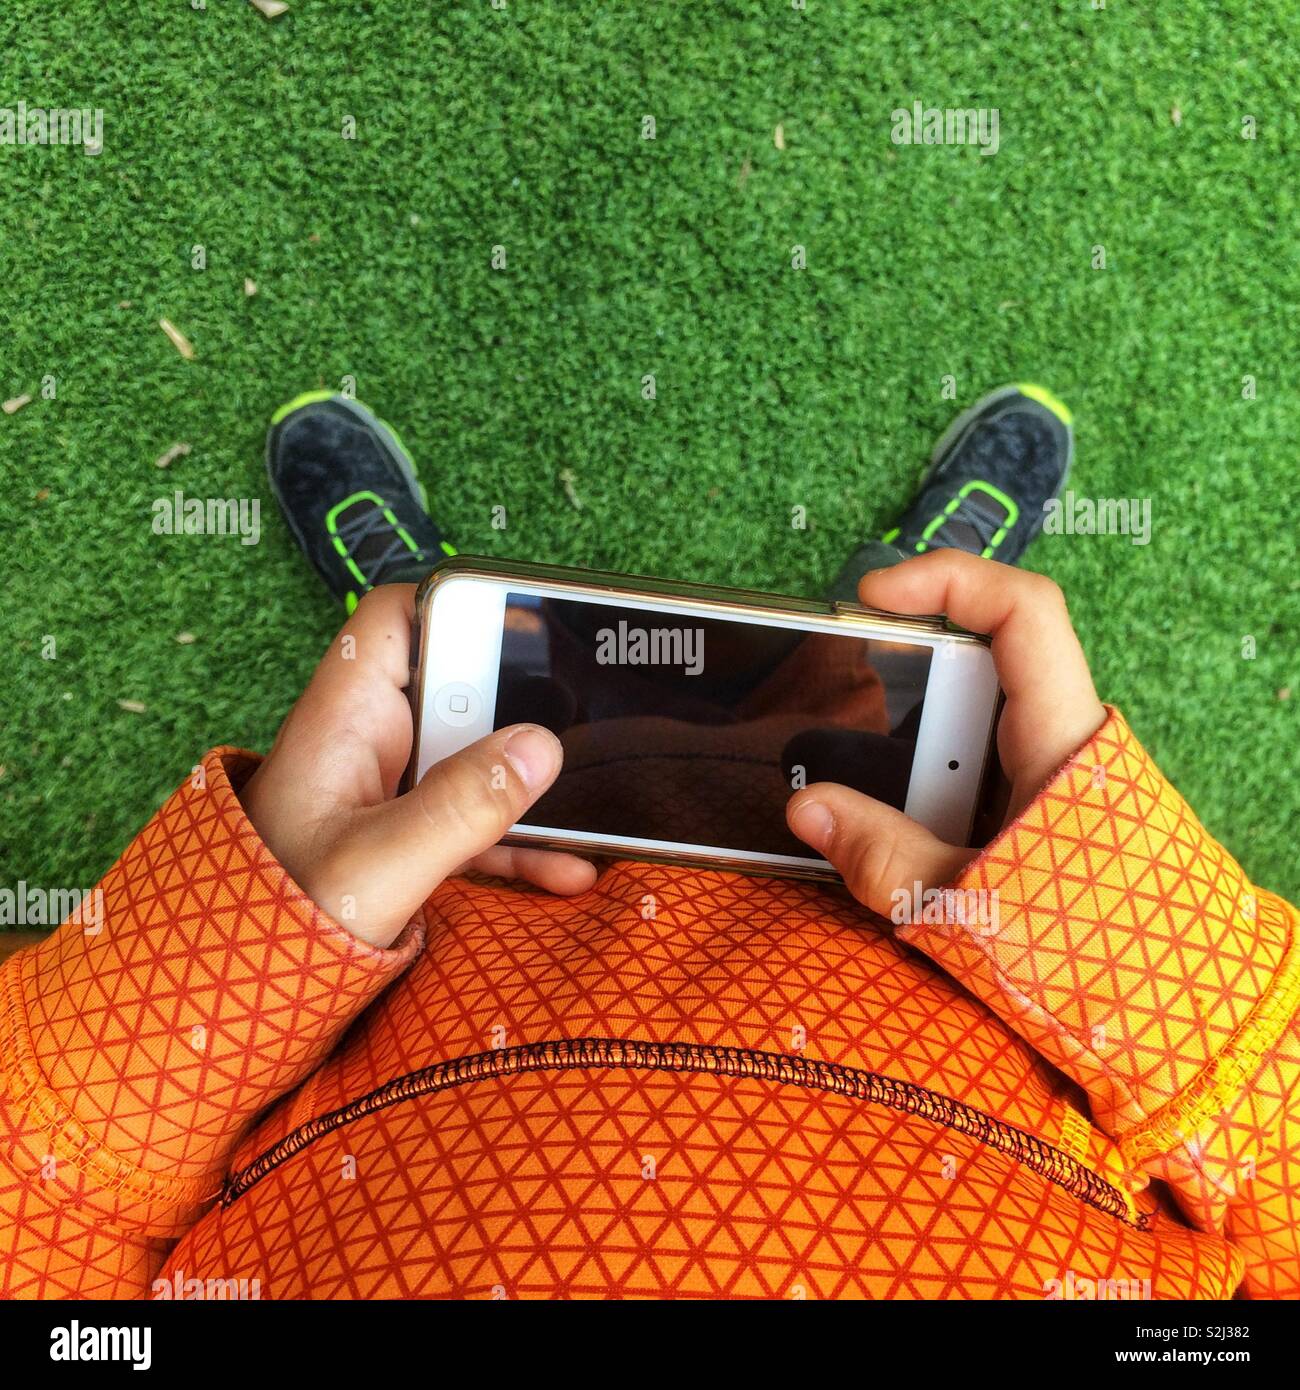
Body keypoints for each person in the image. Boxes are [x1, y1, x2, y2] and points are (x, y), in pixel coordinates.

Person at [2, 387, 1295, 1300]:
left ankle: (446, 642)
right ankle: (902, 634)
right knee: (857, 707)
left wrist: (251, 923)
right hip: (955, 934)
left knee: (503, 690)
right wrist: (1114, 919)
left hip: (431, 916)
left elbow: (39, 1208)